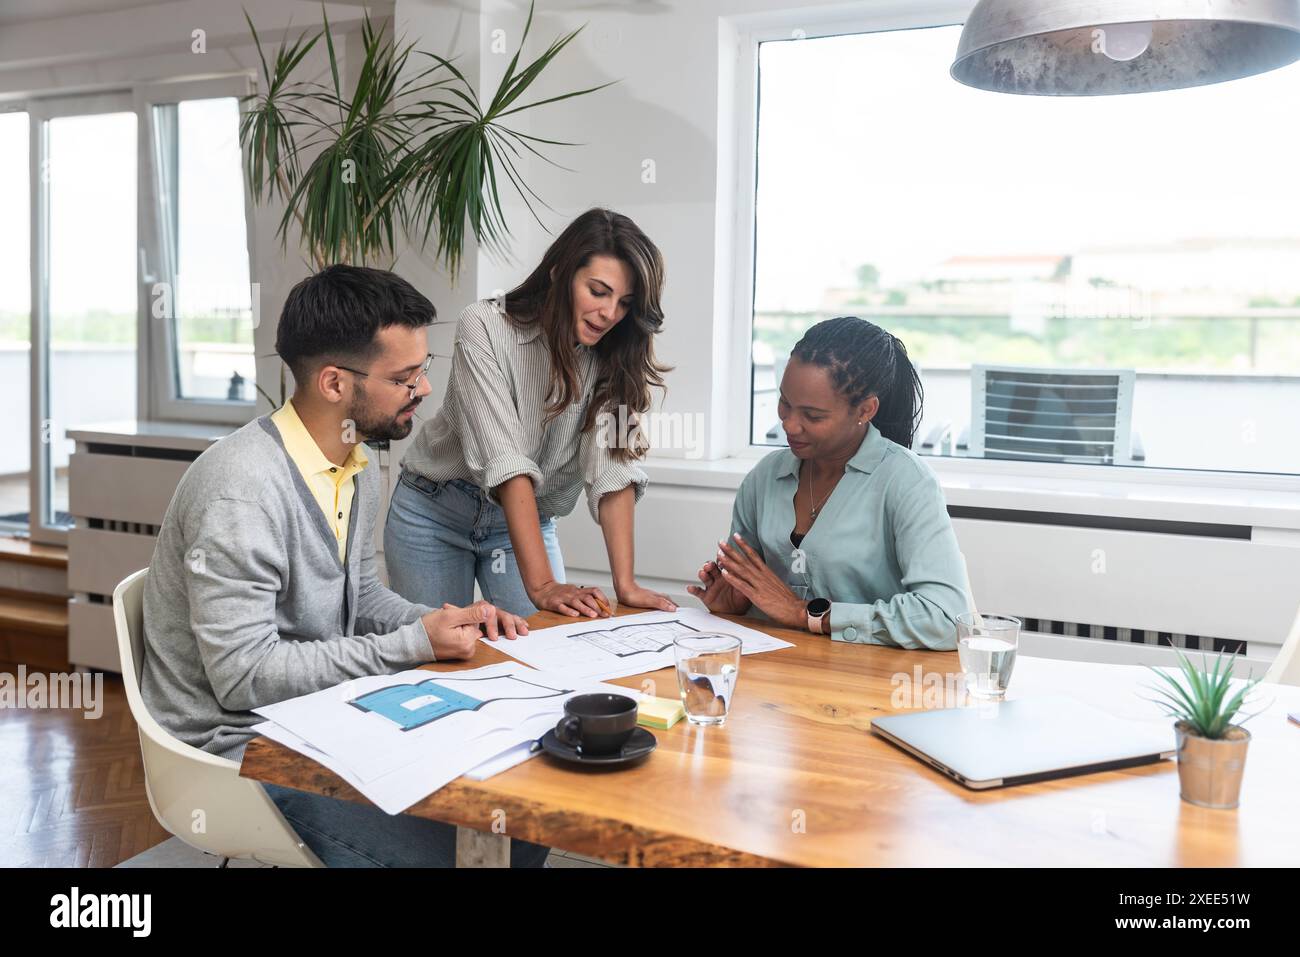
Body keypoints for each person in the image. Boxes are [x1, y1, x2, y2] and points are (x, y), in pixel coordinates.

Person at [140, 264, 548, 866]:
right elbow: (242, 678)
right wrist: (410, 646)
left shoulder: (354, 461)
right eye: (405, 376)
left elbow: (358, 596)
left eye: (423, 370)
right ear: (334, 383)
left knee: (522, 807)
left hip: (314, 716)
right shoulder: (241, 493)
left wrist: (445, 622)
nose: (425, 389)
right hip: (240, 743)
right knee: (460, 848)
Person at [385, 208, 676, 619]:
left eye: (625, 303)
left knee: (553, 654)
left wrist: (624, 584)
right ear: (559, 273)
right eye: (598, 291)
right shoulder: (483, 325)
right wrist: (541, 586)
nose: (611, 314)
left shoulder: (614, 354)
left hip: (523, 520)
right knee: (439, 659)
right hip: (435, 513)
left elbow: (613, 467)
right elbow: (505, 459)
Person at [688, 316, 968, 650]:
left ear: (864, 410)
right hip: (775, 684)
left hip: (867, 684)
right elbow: (754, 598)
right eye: (784, 404)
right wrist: (738, 603)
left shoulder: (906, 482)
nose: (790, 425)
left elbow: (947, 618)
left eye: (813, 416)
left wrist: (805, 613)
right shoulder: (765, 478)